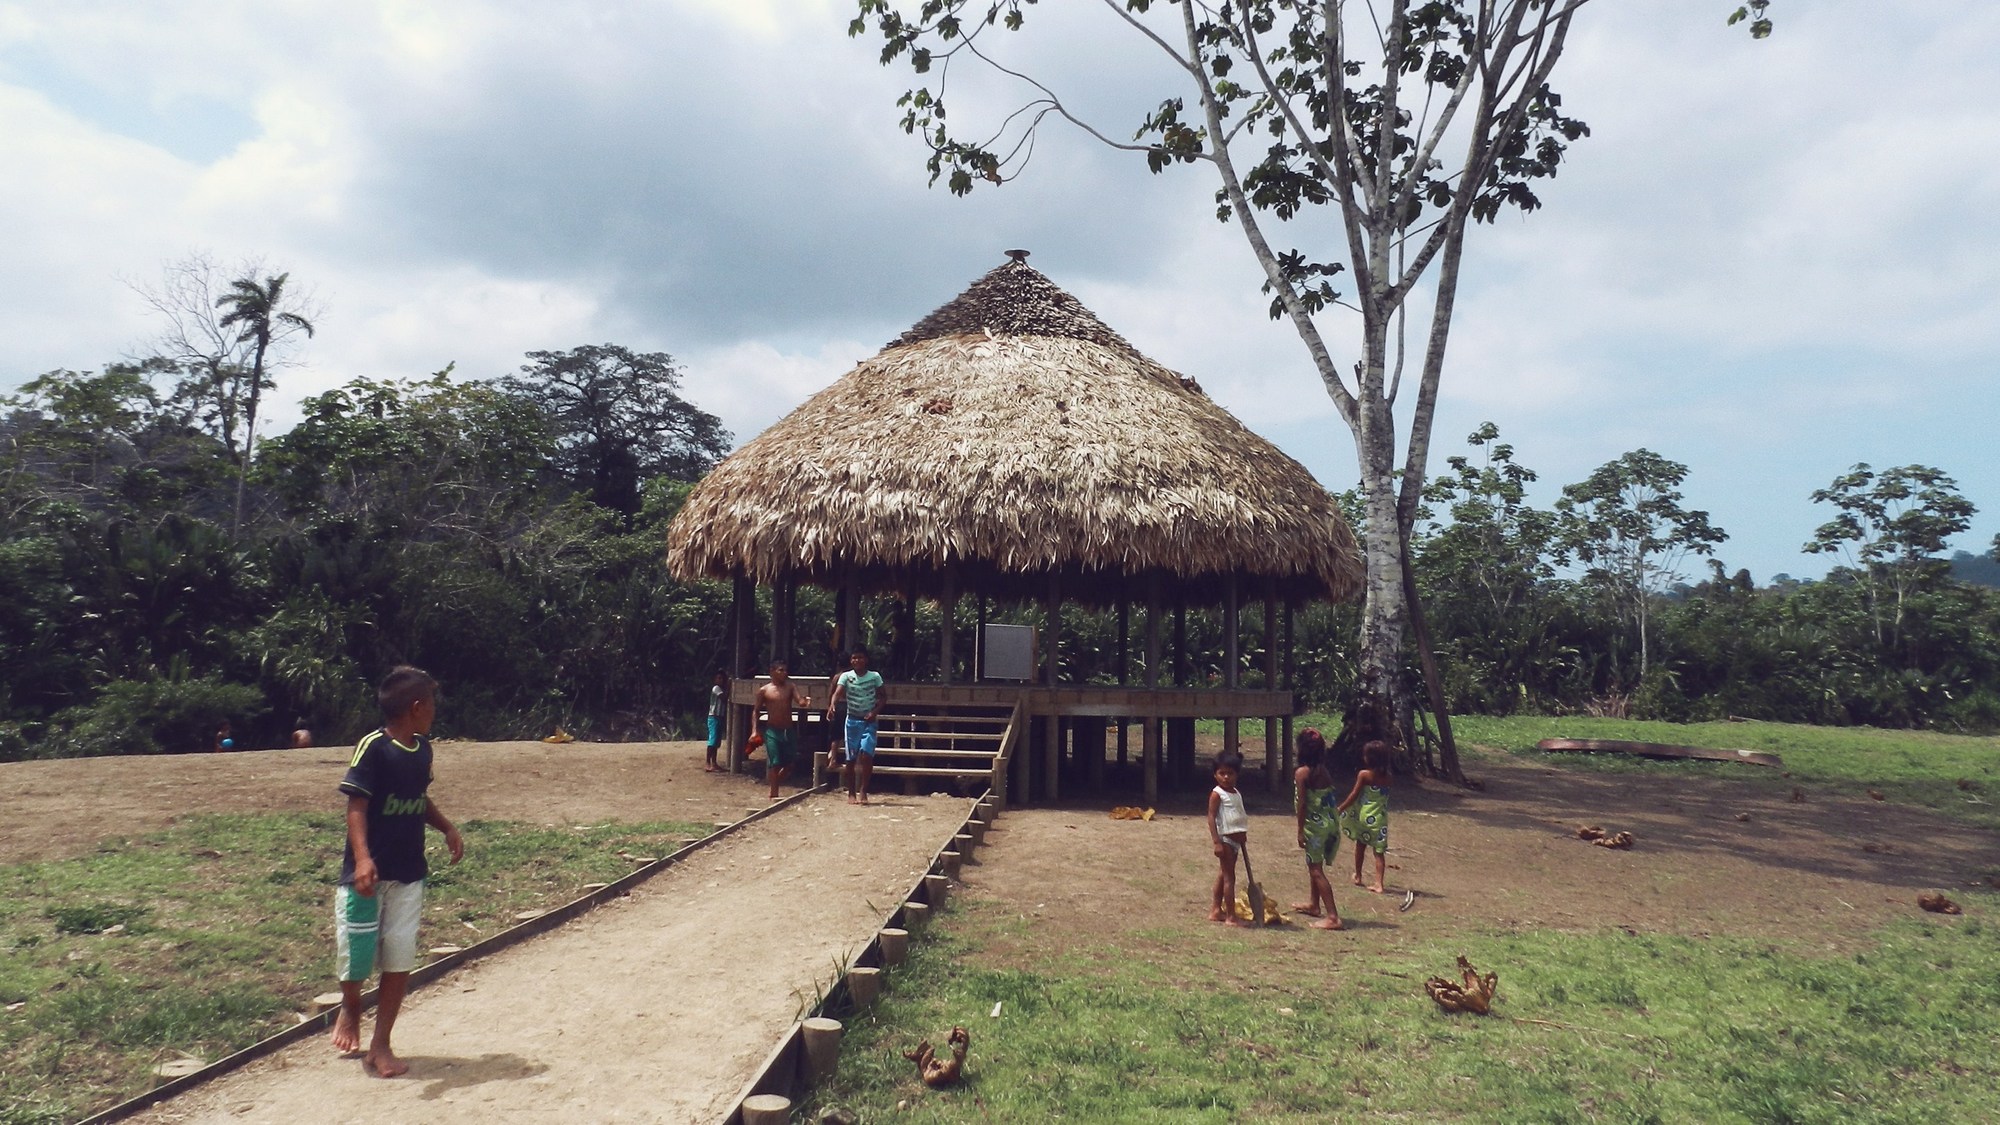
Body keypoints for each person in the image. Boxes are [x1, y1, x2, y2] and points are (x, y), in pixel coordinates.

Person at [330, 665, 464, 1078]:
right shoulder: (373, 748)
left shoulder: (422, 749)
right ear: (417, 706)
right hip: (367, 876)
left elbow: (418, 797)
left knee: (400, 954)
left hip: (409, 872)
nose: (435, 711)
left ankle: (381, 1043)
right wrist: (364, 858)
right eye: (432, 704)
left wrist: (446, 827)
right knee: (357, 955)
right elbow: (357, 805)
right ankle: (350, 1009)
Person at [1291, 728, 1345, 930]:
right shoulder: (1323, 769)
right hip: (1330, 823)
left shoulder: (1302, 773)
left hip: (1315, 827)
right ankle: (1314, 904)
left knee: (1315, 870)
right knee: (1315, 864)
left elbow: (1303, 804)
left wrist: (1299, 830)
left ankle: (1333, 916)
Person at [826, 648, 885, 805]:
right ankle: (851, 792)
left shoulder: (875, 676)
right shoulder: (846, 676)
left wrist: (875, 711)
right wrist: (832, 705)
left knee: (866, 755)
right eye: (854, 658)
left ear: (866, 659)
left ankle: (864, 790)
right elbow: (837, 693)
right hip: (852, 721)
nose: (856, 660)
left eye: (860, 657)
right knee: (850, 759)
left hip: (869, 721)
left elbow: (883, 697)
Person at [1337, 738, 1393, 894]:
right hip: (1380, 819)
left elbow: (1354, 795)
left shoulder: (1364, 775)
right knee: (1379, 852)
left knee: (1360, 846)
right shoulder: (1388, 777)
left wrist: (1341, 808)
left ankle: (1358, 876)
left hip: (1364, 817)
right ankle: (1379, 883)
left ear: (1369, 758)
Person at [753, 661, 811, 800]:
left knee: (790, 764)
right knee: (775, 763)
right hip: (772, 731)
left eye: (785, 670)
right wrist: (754, 730)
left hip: (788, 730)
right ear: (772, 671)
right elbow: (756, 711)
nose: (784, 673)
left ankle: (775, 782)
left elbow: (799, 701)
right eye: (781, 670)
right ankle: (774, 793)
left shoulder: (790, 687)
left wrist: (804, 702)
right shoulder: (764, 690)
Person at [1206, 749, 1248, 927]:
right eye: (1221, 773)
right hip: (1225, 840)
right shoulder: (1217, 793)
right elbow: (1211, 817)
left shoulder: (1236, 792)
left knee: (1224, 874)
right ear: (1215, 775)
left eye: (1230, 773)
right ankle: (1231, 916)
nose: (1225, 777)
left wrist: (1242, 835)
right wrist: (1216, 842)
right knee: (1230, 877)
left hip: (1237, 840)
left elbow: (1238, 814)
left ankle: (1216, 909)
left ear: (1237, 774)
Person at [704, 670, 727, 772]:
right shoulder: (716, 688)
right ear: (715, 680)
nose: (721, 680)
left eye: (722, 678)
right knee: (712, 740)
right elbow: (724, 698)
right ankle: (707, 762)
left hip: (719, 717)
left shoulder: (721, 689)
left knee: (716, 742)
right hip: (714, 717)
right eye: (719, 678)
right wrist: (730, 687)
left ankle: (714, 762)